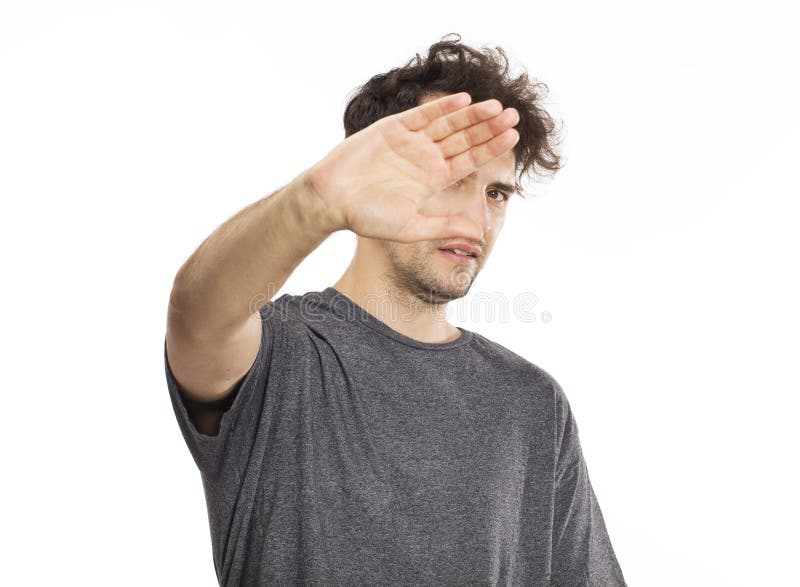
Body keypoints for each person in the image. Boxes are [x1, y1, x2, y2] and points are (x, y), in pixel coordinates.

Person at [163, 33, 627, 586]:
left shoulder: (532, 403)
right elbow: (197, 311)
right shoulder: (279, 356)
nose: (476, 222)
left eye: (496, 194)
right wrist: (314, 203)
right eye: (449, 179)